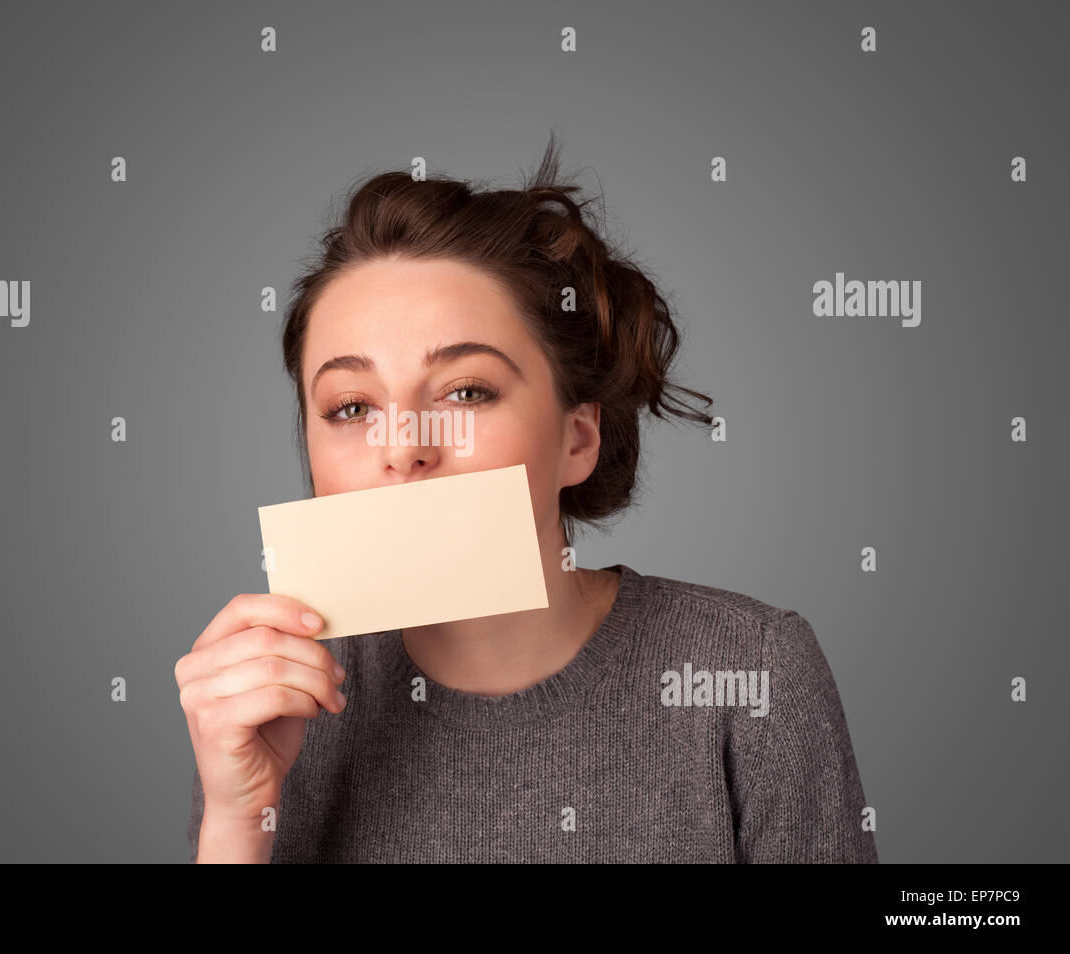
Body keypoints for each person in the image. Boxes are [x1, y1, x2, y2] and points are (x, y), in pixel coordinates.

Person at [175, 132, 877, 863]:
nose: (402, 445)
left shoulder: (747, 673)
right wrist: (235, 819)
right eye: (351, 407)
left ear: (577, 439)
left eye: (467, 391)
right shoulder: (272, 710)